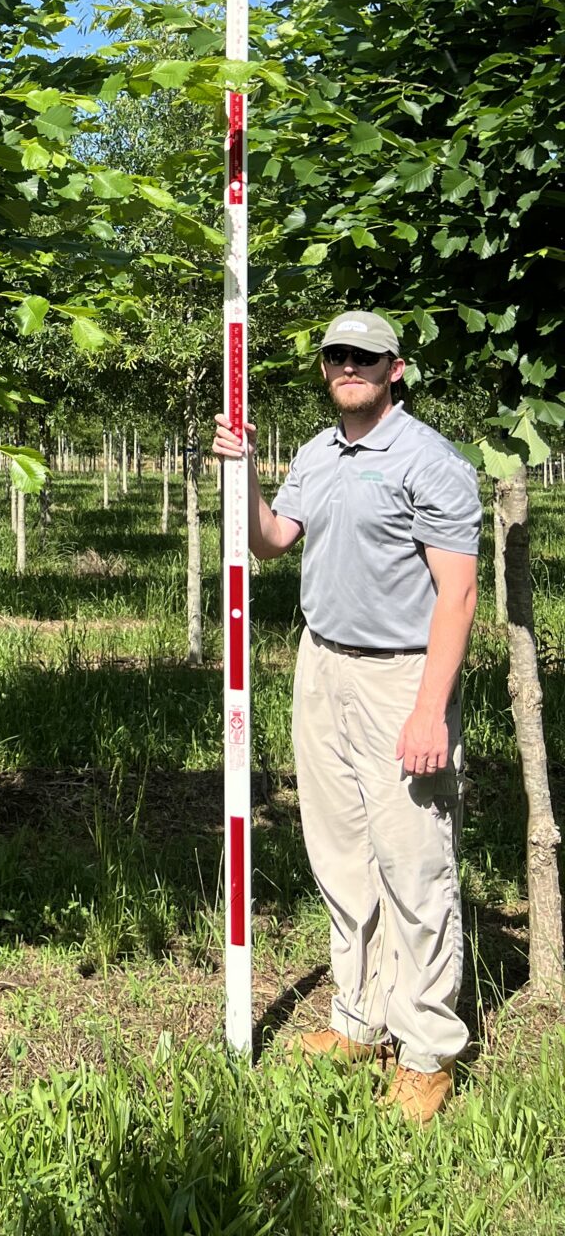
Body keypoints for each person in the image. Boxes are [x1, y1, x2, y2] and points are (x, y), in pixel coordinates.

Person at [214, 310, 480, 1125]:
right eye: (338, 355)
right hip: (322, 665)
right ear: (325, 369)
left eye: (365, 356)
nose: (350, 366)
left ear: (395, 368)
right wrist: (248, 469)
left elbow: (459, 593)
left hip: (401, 677)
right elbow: (270, 540)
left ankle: (429, 1047)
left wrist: (431, 709)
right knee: (339, 855)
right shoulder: (318, 454)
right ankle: (360, 1019)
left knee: (414, 863)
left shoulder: (430, 461)